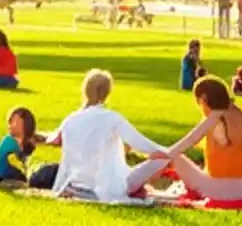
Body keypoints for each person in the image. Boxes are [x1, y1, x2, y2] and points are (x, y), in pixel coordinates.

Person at [47, 69, 168, 201]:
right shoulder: (112, 118)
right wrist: (166, 153)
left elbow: (53, 139)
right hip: (105, 187)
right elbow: (141, 144)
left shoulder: (71, 118)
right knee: (165, 156)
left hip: (73, 181)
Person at [151, 77, 242, 201]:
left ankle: (141, 183)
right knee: (178, 158)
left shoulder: (215, 118)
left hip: (219, 190)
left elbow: (190, 140)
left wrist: (162, 155)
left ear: (203, 99)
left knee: (173, 156)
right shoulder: (239, 114)